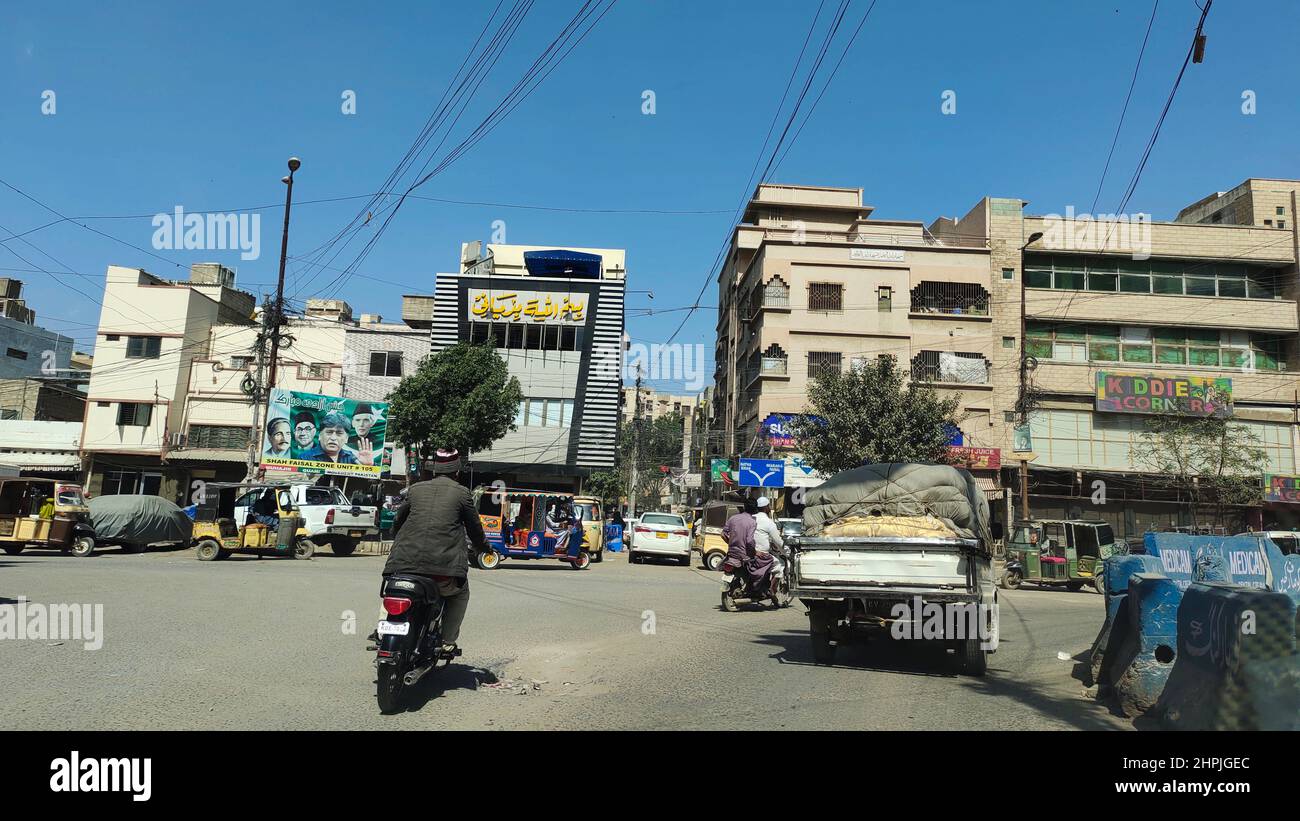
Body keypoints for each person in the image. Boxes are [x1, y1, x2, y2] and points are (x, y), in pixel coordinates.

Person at [380, 448, 489, 652]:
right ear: (457, 471)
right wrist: (485, 548)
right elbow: (475, 530)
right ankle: (447, 641)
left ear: (434, 470)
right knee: (460, 593)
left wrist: (397, 536)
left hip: (403, 563)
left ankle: (381, 630)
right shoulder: (462, 493)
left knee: (394, 588)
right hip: (443, 573)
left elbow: (397, 520)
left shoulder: (415, 489)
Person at [301, 411, 367, 465]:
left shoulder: (351, 458)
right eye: (329, 432)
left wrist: (369, 466)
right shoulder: (304, 458)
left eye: (339, 433)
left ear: (346, 438)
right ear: (320, 435)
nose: (333, 438)